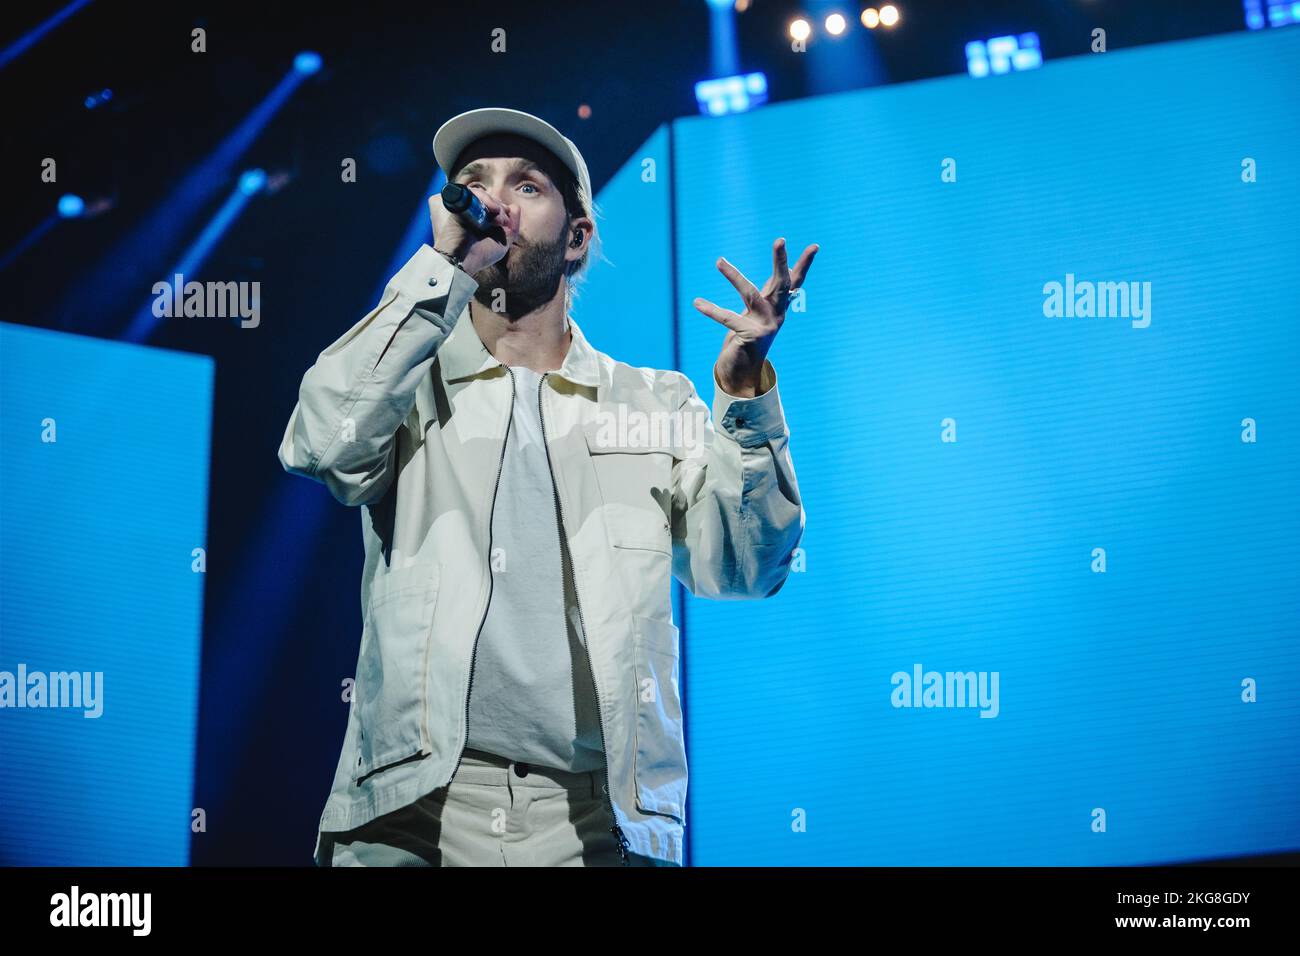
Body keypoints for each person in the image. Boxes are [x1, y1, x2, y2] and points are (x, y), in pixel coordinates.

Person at [278, 107, 816, 866]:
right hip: (413, 812)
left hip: (592, 821)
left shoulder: (652, 404)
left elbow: (746, 567)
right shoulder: (408, 378)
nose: (494, 201)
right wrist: (440, 275)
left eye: (525, 185)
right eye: (472, 184)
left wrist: (745, 390)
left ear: (576, 237)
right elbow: (321, 447)